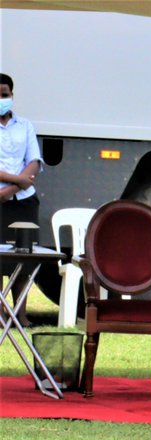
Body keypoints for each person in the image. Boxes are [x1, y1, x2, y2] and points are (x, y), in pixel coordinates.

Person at [0, 73, 43, 326]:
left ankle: (20, 314)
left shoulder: (25, 125)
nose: (1, 99)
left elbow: (34, 162)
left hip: (23, 201)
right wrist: (17, 181)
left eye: (4, 94)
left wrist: (10, 190)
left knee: (23, 258)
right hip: (7, 194)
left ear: (12, 96)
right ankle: (0, 313)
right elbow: (24, 178)